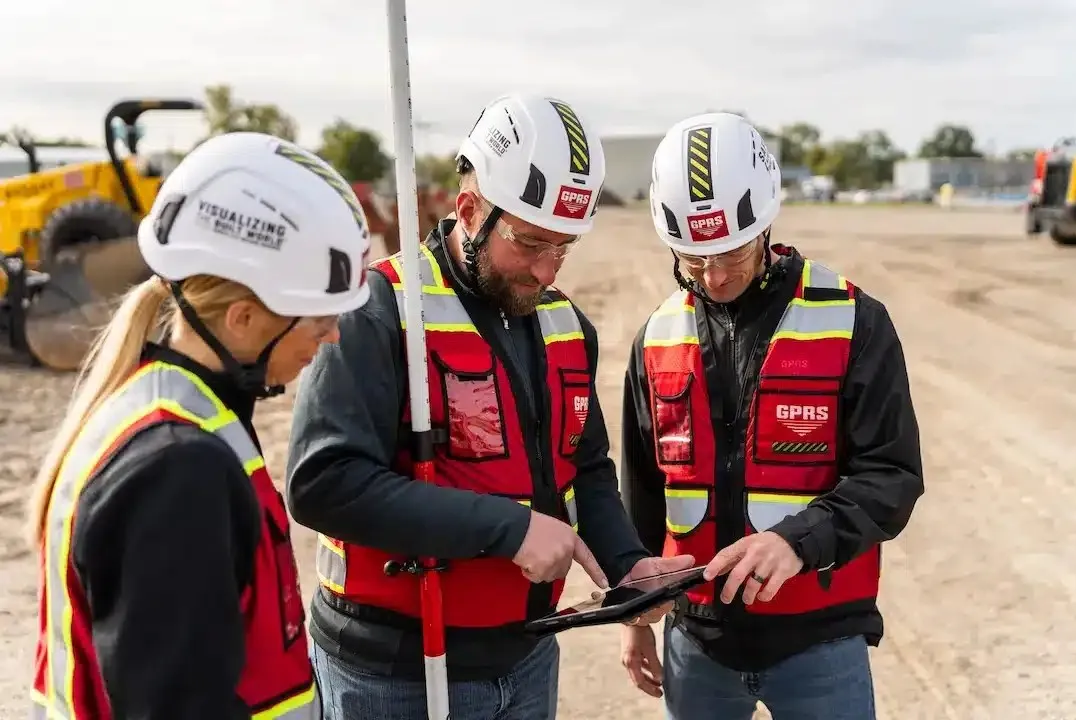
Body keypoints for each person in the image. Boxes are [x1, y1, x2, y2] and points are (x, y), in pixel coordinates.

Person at [285, 92, 694, 720]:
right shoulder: (380, 310)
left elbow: (584, 469)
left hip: (526, 658)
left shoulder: (566, 326)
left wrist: (626, 564)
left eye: (564, 247)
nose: (547, 270)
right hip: (395, 674)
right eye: (529, 243)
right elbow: (323, 483)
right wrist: (509, 529)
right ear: (470, 209)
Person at [26, 130, 373, 719]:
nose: (333, 337)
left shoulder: (175, 408)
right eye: (320, 322)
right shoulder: (177, 470)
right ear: (243, 319)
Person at [619, 112, 925, 719]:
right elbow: (644, 492)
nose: (714, 276)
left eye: (731, 252)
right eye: (692, 257)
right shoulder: (655, 338)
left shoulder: (852, 320)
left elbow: (892, 475)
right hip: (696, 646)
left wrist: (797, 543)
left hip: (820, 644)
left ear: (764, 222)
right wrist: (634, 619)